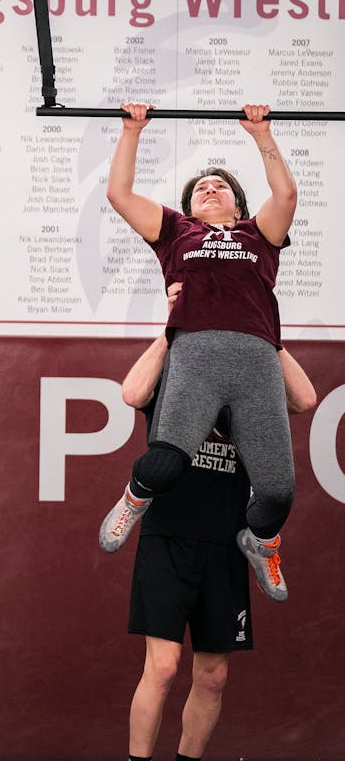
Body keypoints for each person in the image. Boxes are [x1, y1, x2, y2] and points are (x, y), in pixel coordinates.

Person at [98, 102, 297, 600]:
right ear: (189, 209)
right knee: (164, 466)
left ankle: (262, 542)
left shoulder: (261, 235)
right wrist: (131, 131)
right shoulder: (176, 233)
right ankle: (133, 499)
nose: (210, 188)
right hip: (197, 354)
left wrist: (262, 134)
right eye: (200, 188)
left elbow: (287, 193)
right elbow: (119, 194)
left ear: (238, 204)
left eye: (220, 186)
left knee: (275, 493)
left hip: (257, 362)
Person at [112, 313, 315, 761]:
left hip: (227, 542)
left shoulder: (252, 378)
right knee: (163, 669)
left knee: (213, 677)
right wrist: (173, 328)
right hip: (169, 535)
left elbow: (303, 398)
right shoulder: (180, 364)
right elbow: (132, 393)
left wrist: (264, 333)